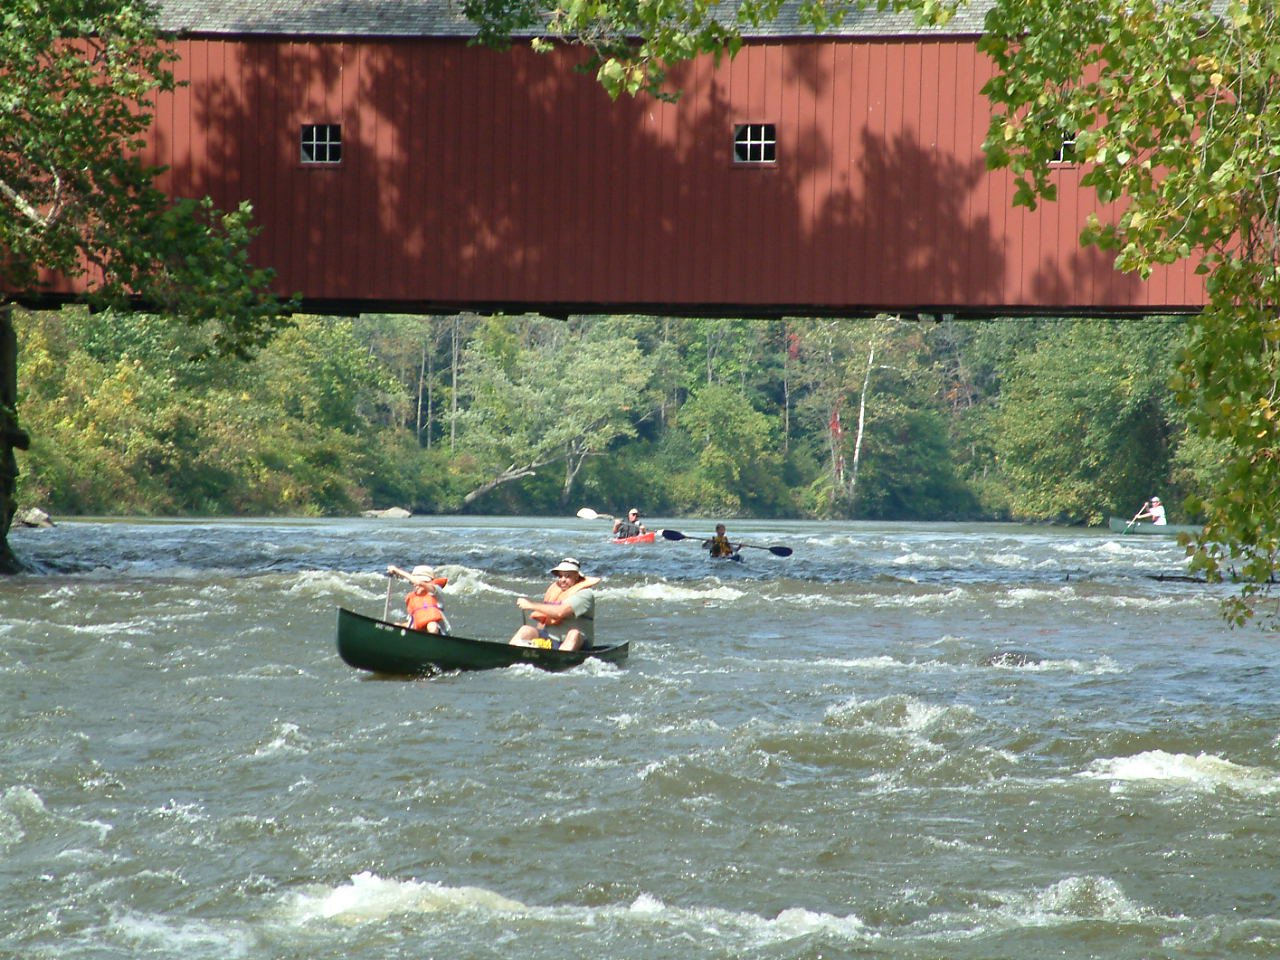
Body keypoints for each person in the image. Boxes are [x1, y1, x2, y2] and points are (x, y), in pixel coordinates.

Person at [510, 557, 599, 651]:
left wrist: (530, 605)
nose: (563, 580)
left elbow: (559, 612)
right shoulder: (555, 591)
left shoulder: (585, 594)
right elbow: (544, 620)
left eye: (568, 576)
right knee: (526, 629)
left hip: (577, 642)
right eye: (560, 576)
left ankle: (559, 660)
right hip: (550, 639)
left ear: (577, 576)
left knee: (574, 633)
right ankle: (509, 655)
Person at [386, 563, 449, 633]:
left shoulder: (435, 590)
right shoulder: (412, 598)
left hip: (438, 632)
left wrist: (396, 570)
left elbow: (419, 583)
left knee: (432, 625)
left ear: (429, 582)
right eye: (413, 583)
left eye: (423, 581)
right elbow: (412, 623)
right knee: (397, 625)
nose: (416, 585)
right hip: (419, 631)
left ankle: (432, 642)